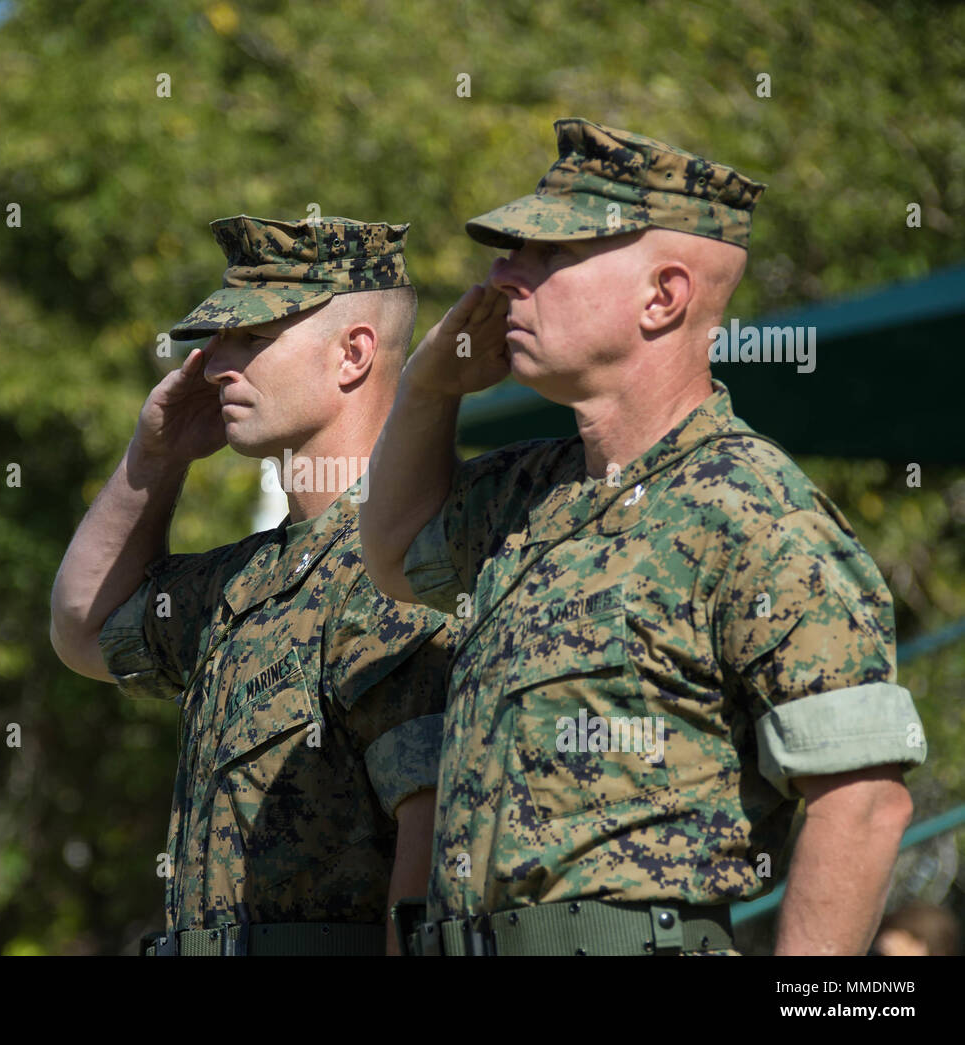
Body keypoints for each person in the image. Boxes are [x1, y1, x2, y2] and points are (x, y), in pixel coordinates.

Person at [359, 118, 927, 956]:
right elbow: (396, 557)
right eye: (508, 253)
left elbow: (865, 800)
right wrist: (426, 389)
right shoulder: (529, 489)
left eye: (547, 257)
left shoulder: (751, 506)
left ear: (663, 296)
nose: (502, 277)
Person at [51, 214, 451, 955]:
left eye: (251, 339)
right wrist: (155, 456)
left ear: (353, 354)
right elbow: (82, 626)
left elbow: (424, 857)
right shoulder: (246, 577)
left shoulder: (403, 570)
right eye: (217, 339)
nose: (212, 366)